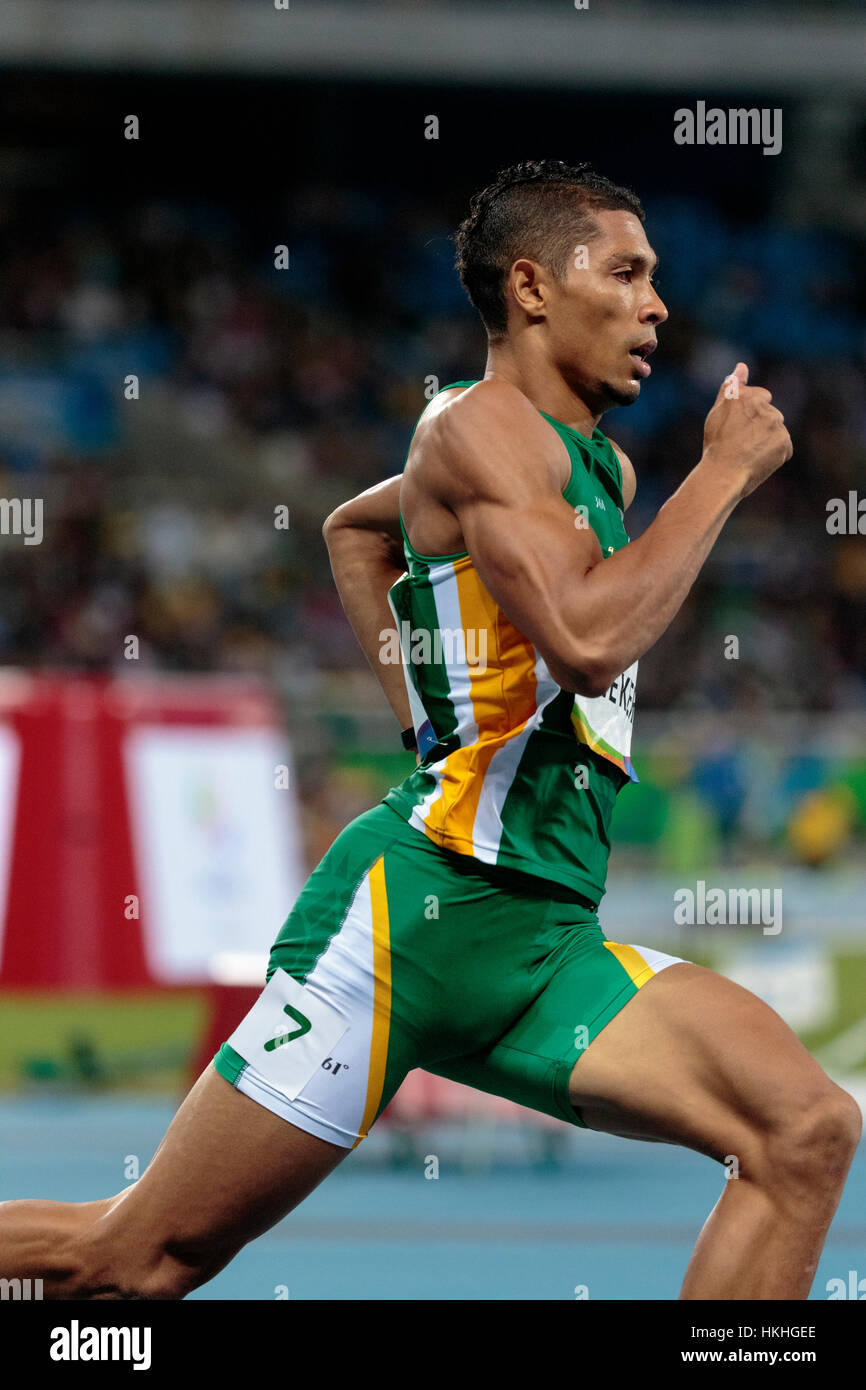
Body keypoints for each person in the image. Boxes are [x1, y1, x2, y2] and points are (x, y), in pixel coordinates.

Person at [0, 160, 858, 1301]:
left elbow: (355, 534)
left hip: (542, 935)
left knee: (803, 1130)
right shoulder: (471, 429)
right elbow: (586, 642)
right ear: (531, 286)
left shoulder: (597, 462)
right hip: (408, 930)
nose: (657, 304)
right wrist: (721, 474)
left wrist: (428, 713)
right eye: (627, 272)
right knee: (135, 1264)